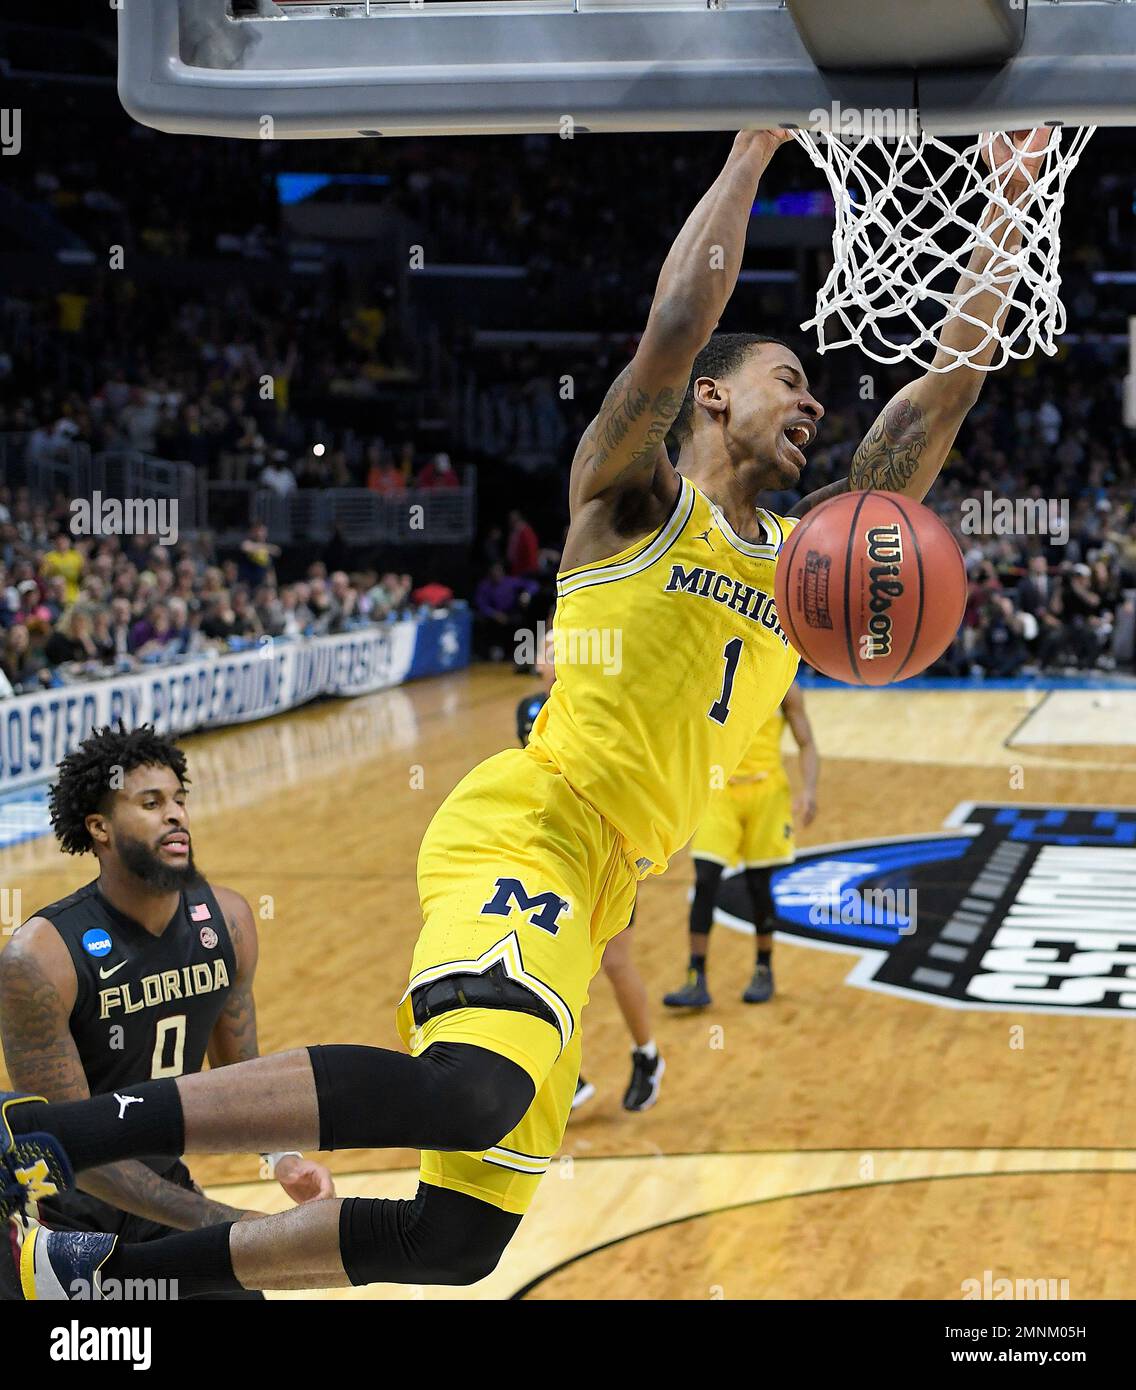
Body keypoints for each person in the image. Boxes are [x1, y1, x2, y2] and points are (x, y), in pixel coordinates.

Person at [1, 127, 1032, 1299]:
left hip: (600, 882)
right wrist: (752, 150)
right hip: (529, 823)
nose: (810, 403)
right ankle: (53, 1133)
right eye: (785, 379)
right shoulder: (633, 502)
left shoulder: (811, 562)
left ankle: (101, 1282)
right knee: (466, 1091)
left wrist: (1002, 205)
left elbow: (941, 389)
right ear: (710, 399)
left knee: (459, 1236)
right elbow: (671, 329)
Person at [0, 726, 334, 1300]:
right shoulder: (41, 956)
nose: (175, 815)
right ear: (100, 828)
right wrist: (235, 1223)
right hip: (60, 1214)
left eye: (180, 799)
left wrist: (282, 1157)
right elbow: (79, 1152)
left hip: (160, 1187)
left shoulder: (226, 921)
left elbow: (239, 1074)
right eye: (151, 803)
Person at [515, 614, 663, 1113]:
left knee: (616, 963)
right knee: (552, 967)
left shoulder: (607, 711)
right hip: (558, 853)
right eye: (544, 649)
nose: (543, 656)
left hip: (613, 850)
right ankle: (567, 1073)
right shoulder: (532, 709)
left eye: (554, 650)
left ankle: (647, 1055)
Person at [664, 685, 817, 1008]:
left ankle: (763, 968)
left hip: (767, 793)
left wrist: (809, 790)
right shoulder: (721, 673)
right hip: (720, 791)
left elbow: (806, 743)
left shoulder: (786, 687)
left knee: (758, 885)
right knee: (705, 879)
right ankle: (696, 977)